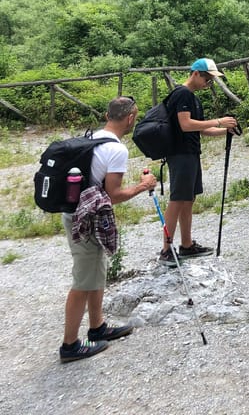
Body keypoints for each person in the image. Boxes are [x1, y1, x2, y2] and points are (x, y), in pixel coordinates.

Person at [60, 96, 157, 362]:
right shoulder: (117, 150)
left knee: (96, 272)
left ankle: (97, 326)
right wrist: (143, 186)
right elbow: (113, 194)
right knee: (83, 281)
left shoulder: (92, 137)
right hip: (87, 219)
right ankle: (69, 345)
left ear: (107, 115)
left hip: (76, 214)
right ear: (131, 118)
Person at [158, 58, 239, 266]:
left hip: (190, 153)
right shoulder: (183, 94)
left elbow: (201, 129)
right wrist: (219, 121)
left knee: (188, 198)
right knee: (177, 199)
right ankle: (166, 250)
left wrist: (224, 131)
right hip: (180, 153)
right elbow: (185, 125)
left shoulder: (192, 98)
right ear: (195, 73)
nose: (208, 83)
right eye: (207, 78)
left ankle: (186, 245)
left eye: (211, 80)